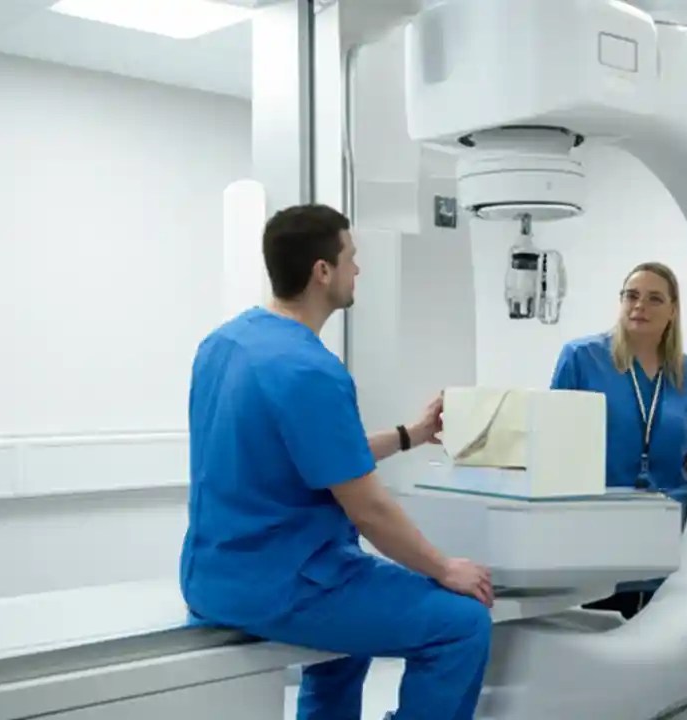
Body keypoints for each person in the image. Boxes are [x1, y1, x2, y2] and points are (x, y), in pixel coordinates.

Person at [178, 204, 494, 720]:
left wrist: (410, 436)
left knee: (351, 632)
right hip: (279, 586)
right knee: (461, 624)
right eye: (351, 257)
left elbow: (310, 454)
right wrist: (445, 568)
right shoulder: (310, 369)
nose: (358, 270)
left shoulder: (224, 344)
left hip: (211, 575)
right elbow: (368, 509)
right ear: (322, 271)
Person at [550, 261, 687, 619]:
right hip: (597, 530)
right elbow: (554, 447)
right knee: (599, 638)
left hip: (665, 533)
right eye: (632, 296)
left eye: (655, 299)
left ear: (673, 310)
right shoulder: (581, 358)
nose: (640, 306)